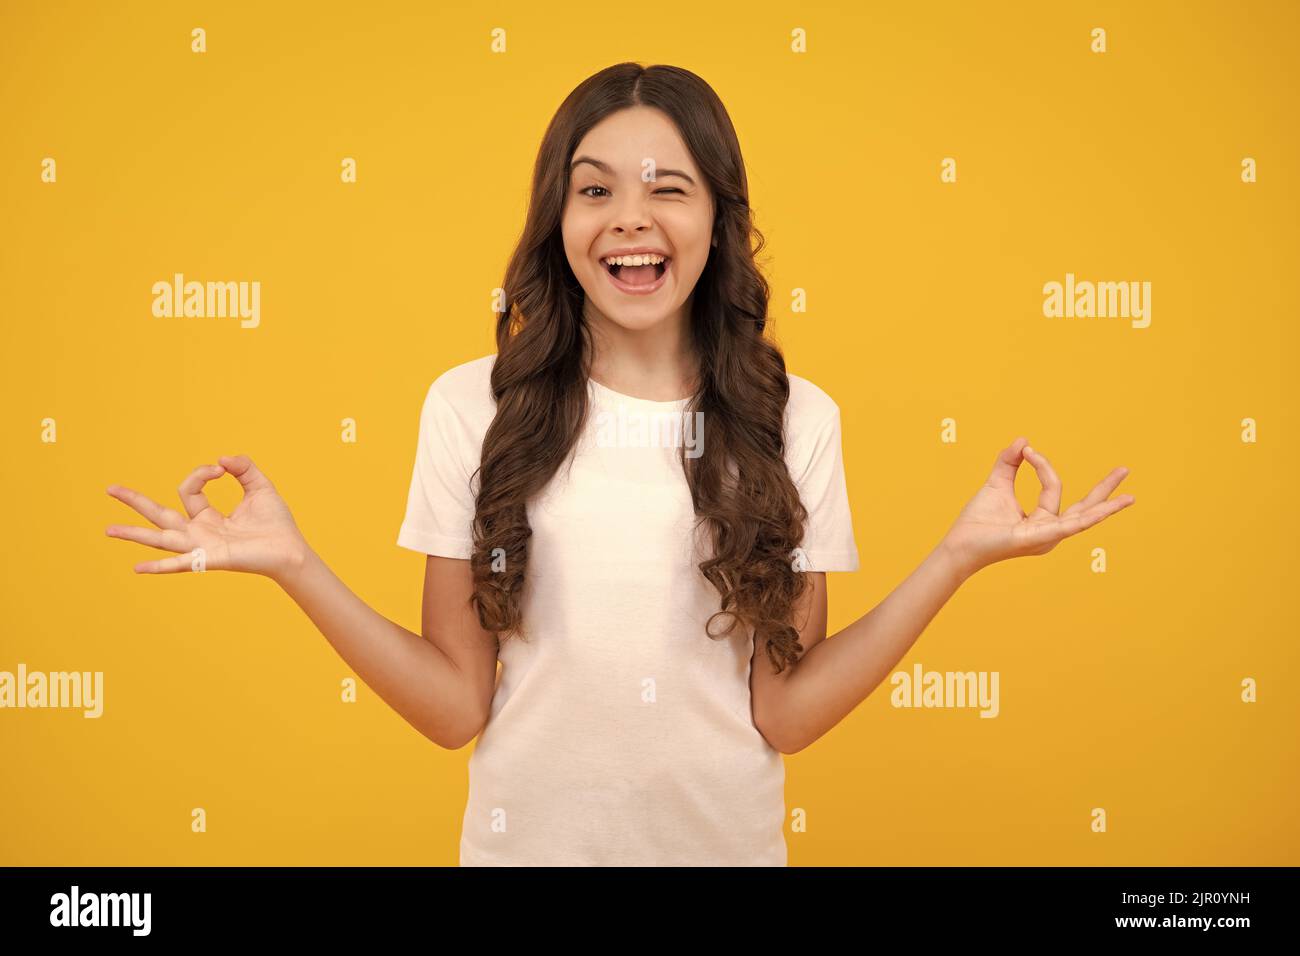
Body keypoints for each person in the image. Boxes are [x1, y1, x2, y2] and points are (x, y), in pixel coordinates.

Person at [104, 62, 1136, 866]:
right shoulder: (474, 406)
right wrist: (296, 567)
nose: (630, 217)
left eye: (667, 189)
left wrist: (955, 558)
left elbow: (785, 712)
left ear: (717, 221)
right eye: (593, 189)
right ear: (559, 222)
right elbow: (454, 706)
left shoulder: (793, 421)